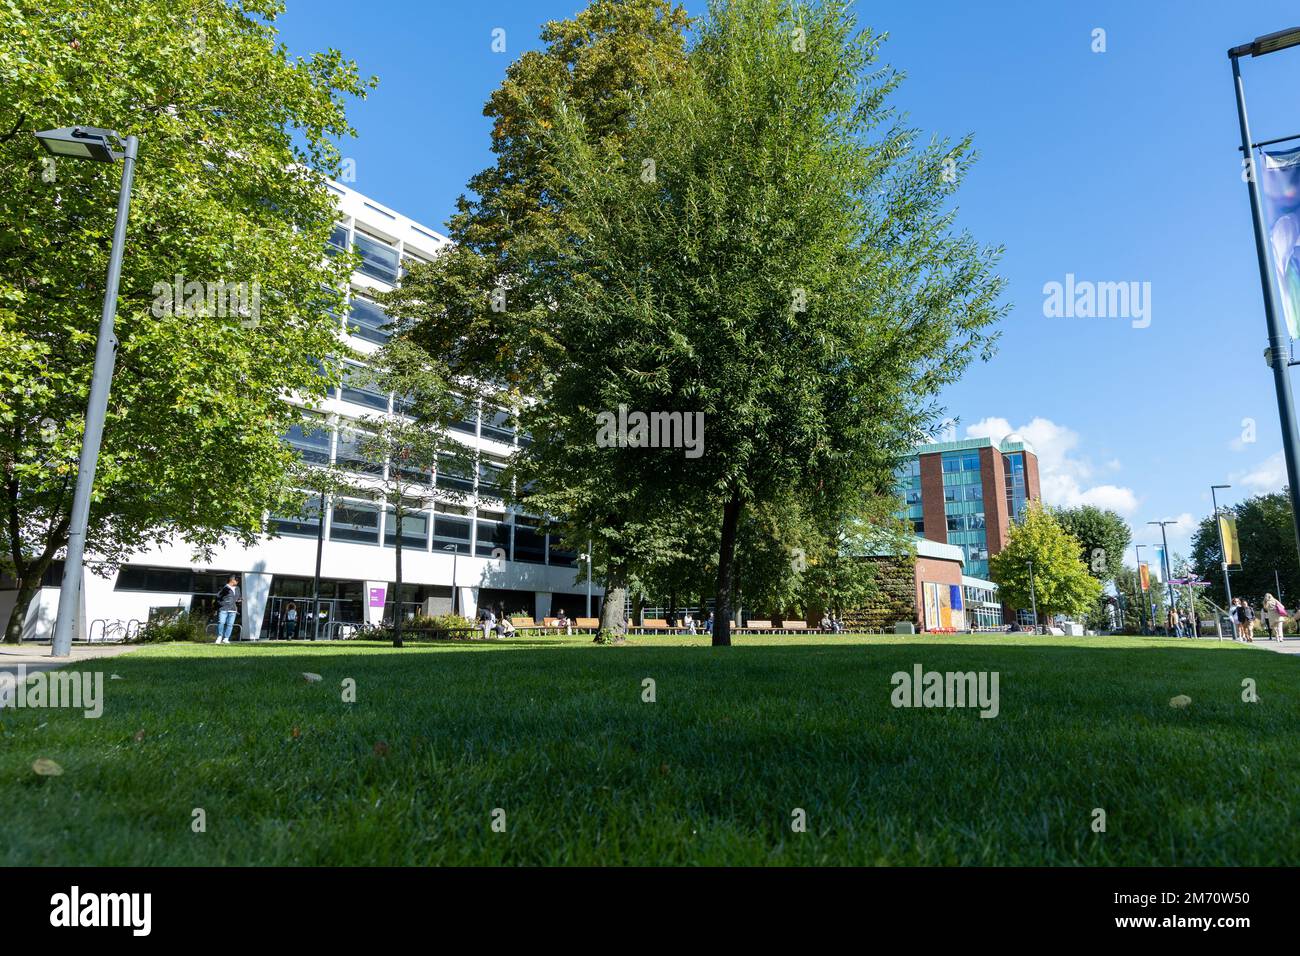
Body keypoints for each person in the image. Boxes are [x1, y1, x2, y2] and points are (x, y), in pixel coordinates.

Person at [214, 575, 240, 644]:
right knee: (221, 622)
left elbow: (237, 597)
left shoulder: (237, 588)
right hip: (224, 609)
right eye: (236, 579)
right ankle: (219, 637)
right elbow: (217, 598)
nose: (238, 581)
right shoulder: (224, 588)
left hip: (233, 609)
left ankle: (226, 638)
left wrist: (239, 600)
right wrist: (222, 604)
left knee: (230, 624)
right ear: (232, 580)